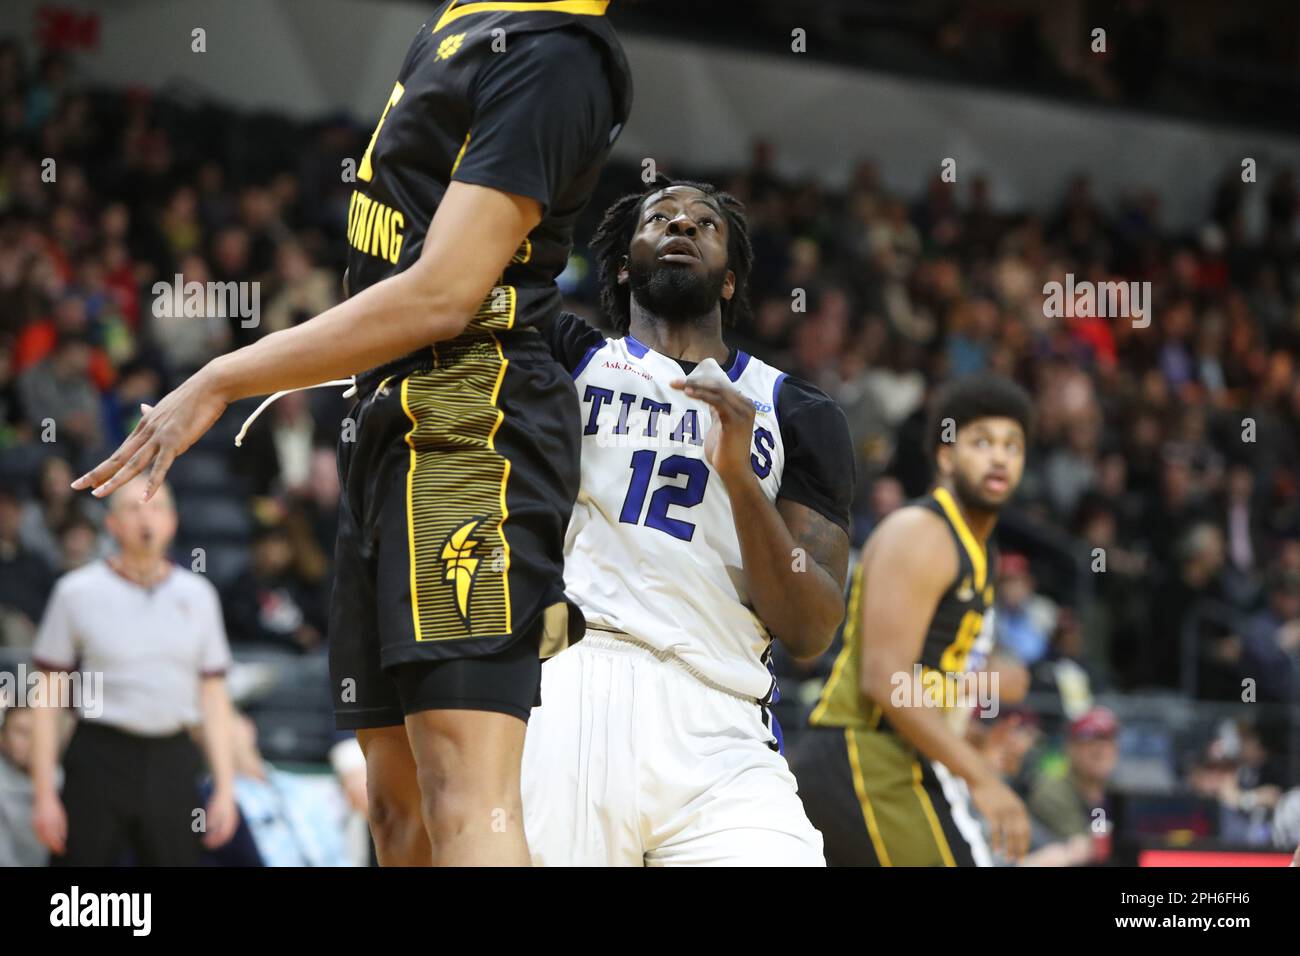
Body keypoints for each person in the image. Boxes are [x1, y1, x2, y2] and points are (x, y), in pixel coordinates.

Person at [70, 3, 632, 866]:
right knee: (395, 803)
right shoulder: (466, 21)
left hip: (471, 425)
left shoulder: (556, 56)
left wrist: (224, 375)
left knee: (464, 792)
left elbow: (445, 292)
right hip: (387, 421)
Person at [518, 179, 854, 865]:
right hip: (580, 676)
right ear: (622, 262)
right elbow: (488, 262)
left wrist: (738, 478)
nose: (681, 227)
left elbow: (812, 628)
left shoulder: (795, 411)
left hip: (722, 712)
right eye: (661, 218)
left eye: (706, 224)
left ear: (729, 281)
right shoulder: (571, 357)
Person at [795, 373, 1035, 866]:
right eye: (982, 442)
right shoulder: (922, 532)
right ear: (946, 456)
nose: (999, 457)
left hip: (889, 757)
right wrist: (983, 778)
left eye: (1012, 446)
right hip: (866, 756)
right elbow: (885, 680)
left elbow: (925, 680)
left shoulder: (977, 548)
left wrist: (977, 710)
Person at [28, 478, 238, 865]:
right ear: (112, 524)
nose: (147, 518)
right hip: (98, 754)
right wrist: (43, 794)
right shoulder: (76, 591)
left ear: (173, 522)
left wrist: (225, 788)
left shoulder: (199, 596)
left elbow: (214, 696)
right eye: (134, 508)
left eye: (157, 507)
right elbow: (47, 696)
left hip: (173, 756)